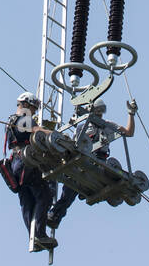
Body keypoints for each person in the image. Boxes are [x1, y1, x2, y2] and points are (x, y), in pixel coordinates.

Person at [46, 97, 137, 229]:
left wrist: (131, 114)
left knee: (73, 189)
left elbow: (129, 132)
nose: (99, 114)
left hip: (98, 162)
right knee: (70, 189)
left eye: (101, 111)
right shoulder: (83, 126)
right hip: (83, 160)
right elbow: (73, 145)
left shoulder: (108, 125)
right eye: (97, 111)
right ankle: (54, 216)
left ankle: (55, 214)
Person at [5, 92, 57, 250]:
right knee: (45, 196)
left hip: (15, 165)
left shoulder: (10, 121)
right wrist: (56, 135)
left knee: (27, 202)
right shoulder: (24, 118)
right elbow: (37, 130)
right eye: (33, 109)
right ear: (26, 104)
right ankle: (40, 235)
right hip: (25, 163)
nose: (34, 112)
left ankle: (33, 238)